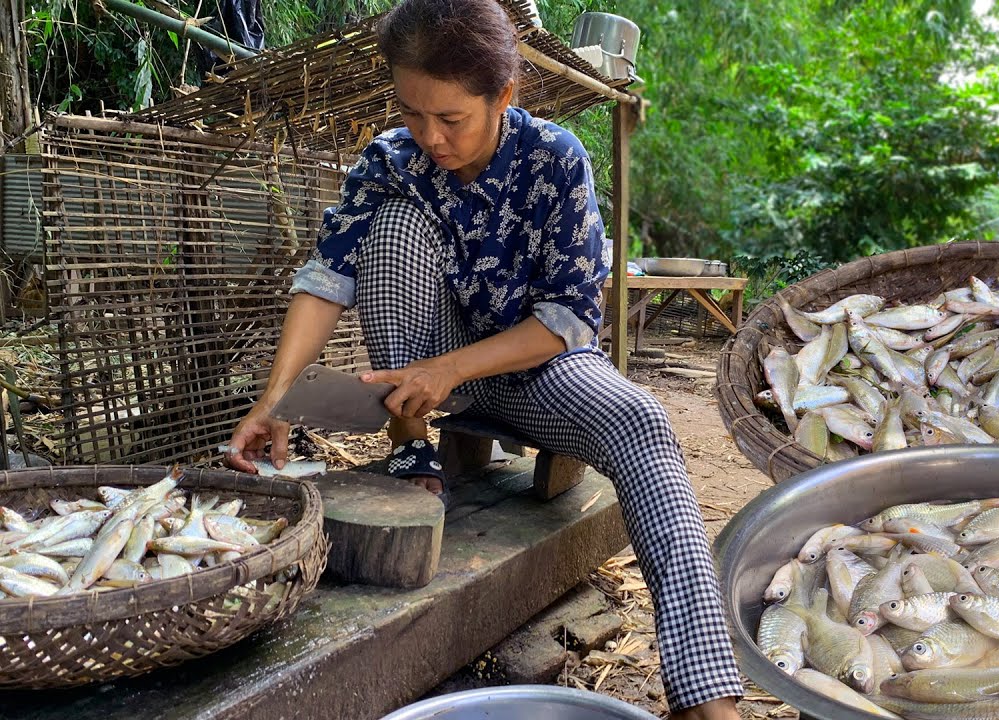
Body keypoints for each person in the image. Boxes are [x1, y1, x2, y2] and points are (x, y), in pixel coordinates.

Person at [221, 1, 744, 717]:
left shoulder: (555, 158)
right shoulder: (390, 162)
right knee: (394, 229)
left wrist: (453, 370)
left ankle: (706, 692)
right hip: (422, 380)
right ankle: (411, 443)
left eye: (452, 120)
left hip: (536, 374)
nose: (430, 138)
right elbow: (325, 278)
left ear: (505, 96)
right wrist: (276, 399)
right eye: (412, 113)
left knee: (643, 422)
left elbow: (568, 316)